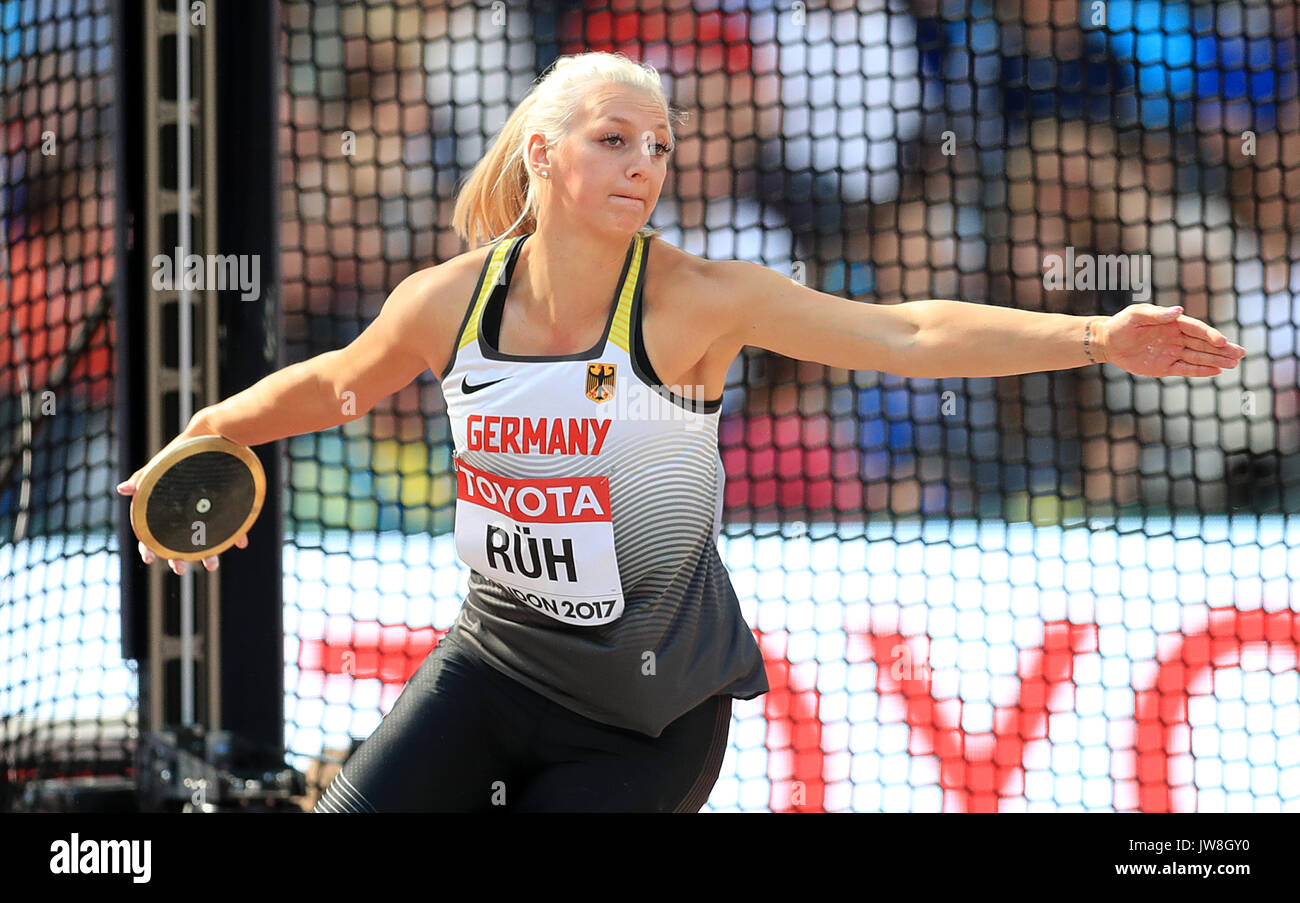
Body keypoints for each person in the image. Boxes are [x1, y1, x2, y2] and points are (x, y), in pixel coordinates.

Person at [115, 51, 1244, 812]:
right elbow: (338, 384)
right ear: (545, 155)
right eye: (615, 140)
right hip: (491, 663)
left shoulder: (696, 299)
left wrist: (1094, 337)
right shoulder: (447, 298)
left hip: (644, 718)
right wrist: (213, 430)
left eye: (658, 146)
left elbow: (906, 328)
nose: (645, 166)